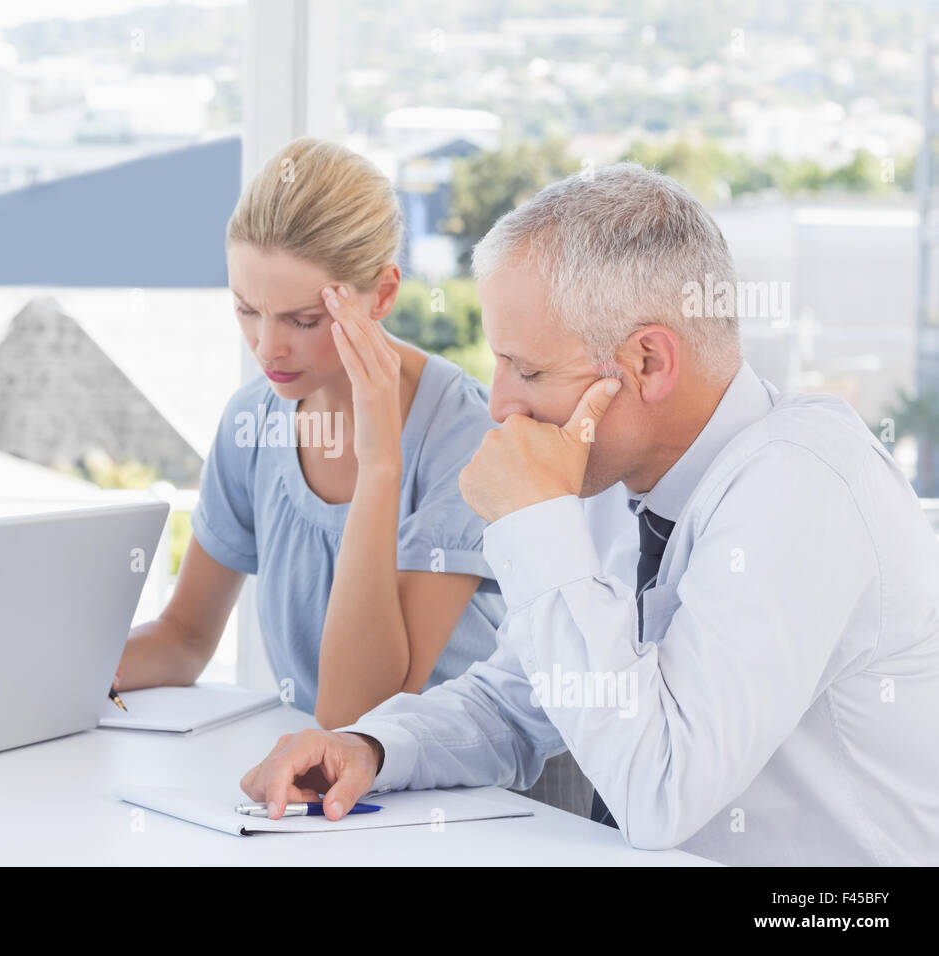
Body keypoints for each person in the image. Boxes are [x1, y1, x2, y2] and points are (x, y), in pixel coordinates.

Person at [238, 162, 939, 866]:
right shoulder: (614, 474)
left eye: (529, 372)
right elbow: (515, 701)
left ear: (647, 361)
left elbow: (660, 794)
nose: (499, 405)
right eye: (499, 365)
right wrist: (371, 747)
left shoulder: (801, 486)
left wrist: (535, 523)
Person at [117, 136, 517, 736]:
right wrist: (45, 681)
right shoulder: (252, 421)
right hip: (331, 794)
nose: (266, 347)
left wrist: (381, 463)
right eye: (246, 309)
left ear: (382, 294)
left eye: (303, 321)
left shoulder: (463, 437)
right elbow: (184, 638)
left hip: (475, 799)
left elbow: (358, 715)